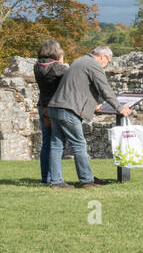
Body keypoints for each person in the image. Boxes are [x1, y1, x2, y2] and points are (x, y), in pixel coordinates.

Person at [46, 45, 132, 189]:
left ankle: (56, 182)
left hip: (55, 107)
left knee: (56, 145)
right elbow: (104, 88)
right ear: (103, 56)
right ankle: (86, 180)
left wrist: (94, 105)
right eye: (108, 61)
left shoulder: (80, 61)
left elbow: (79, 88)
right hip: (69, 110)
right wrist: (119, 107)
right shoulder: (93, 64)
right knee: (79, 144)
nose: (107, 65)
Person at [33, 40, 69, 186]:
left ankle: (45, 177)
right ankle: (54, 177)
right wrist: (62, 61)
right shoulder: (56, 68)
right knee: (57, 142)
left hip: (42, 106)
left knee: (46, 143)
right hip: (54, 107)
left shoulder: (37, 66)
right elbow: (68, 73)